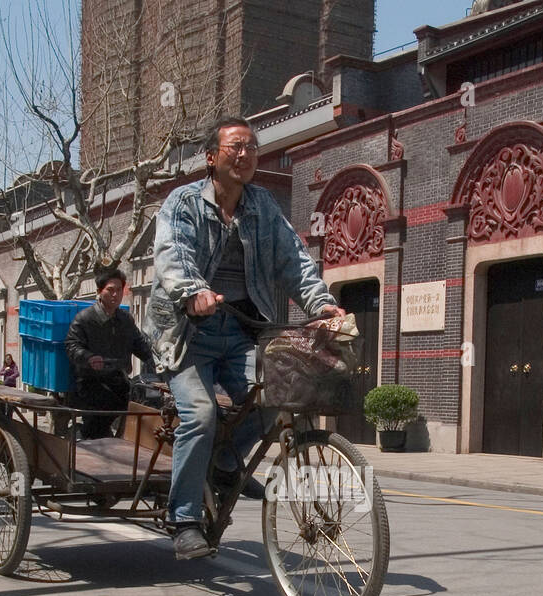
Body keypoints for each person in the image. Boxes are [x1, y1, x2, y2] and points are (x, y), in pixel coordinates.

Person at [147, 116, 343, 560]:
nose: (245, 154)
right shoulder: (182, 203)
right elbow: (172, 253)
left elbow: (293, 257)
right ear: (211, 158)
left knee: (281, 397)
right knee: (200, 414)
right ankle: (185, 520)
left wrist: (320, 304)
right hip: (187, 332)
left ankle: (225, 460)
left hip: (239, 330)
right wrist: (192, 291)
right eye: (235, 146)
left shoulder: (262, 205)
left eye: (252, 147)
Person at [64, 265, 153, 440]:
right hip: (90, 382)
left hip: (118, 379)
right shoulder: (84, 318)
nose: (115, 295)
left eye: (119, 290)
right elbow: (72, 346)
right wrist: (89, 358)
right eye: (110, 290)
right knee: (99, 421)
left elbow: (140, 344)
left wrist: (156, 359)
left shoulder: (125, 319)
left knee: (146, 403)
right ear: (99, 291)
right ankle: (83, 440)